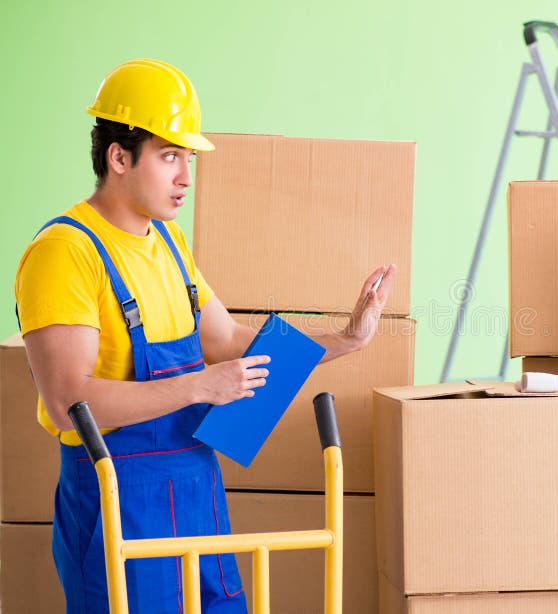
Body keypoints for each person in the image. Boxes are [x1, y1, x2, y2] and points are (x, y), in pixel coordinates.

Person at [14, 58, 396, 614]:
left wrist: (346, 339)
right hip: (117, 501)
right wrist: (199, 388)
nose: (186, 176)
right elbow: (69, 397)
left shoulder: (169, 245)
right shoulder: (64, 253)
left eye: (188, 157)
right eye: (169, 155)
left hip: (197, 496)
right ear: (119, 156)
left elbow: (230, 344)